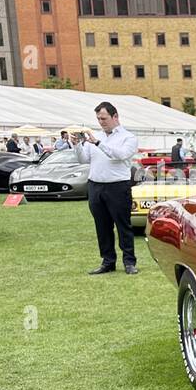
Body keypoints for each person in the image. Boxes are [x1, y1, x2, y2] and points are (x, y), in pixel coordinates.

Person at [76, 101, 140, 275]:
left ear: (115, 116)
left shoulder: (128, 137)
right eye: (98, 119)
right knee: (102, 226)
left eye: (104, 118)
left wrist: (97, 143)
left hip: (118, 186)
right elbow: (83, 160)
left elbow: (119, 155)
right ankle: (108, 261)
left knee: (123, 225)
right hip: (96, 185)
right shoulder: (95, 137)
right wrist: (77, 145)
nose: (101, 122)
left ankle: (129, 261)